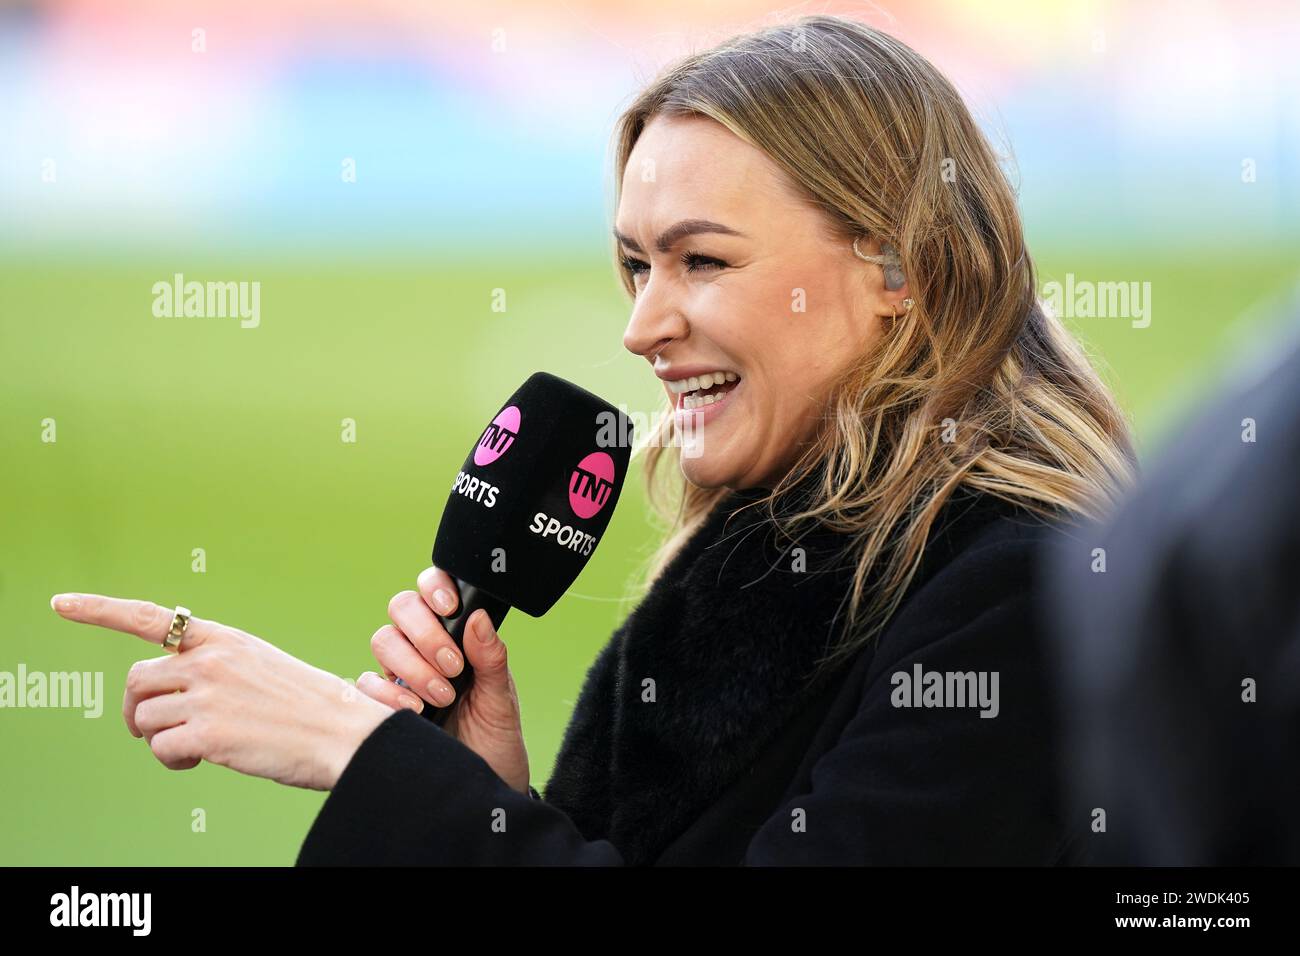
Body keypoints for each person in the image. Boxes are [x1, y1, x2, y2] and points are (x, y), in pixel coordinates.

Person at [49, 15, 1135, 864]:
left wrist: (362, 751)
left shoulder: (1023, 597)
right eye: (634, 265)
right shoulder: (742, 570)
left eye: (701, 261)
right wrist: (494, 801)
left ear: (900, 267)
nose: (641, 326)